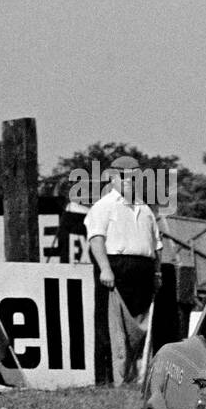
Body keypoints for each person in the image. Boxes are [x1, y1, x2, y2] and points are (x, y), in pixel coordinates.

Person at [85, 156, 162, 384]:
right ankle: (108, 380)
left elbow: (157, 245)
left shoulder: (145, 209)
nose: (128, 181)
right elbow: (96, 239)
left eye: (133, 177)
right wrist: (105, 269)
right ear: (113, 177)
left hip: (144, 271)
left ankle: (135, 378)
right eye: (123, 176)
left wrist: (157, 273)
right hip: (116, 270)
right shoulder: (103, 206)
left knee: (139, 330)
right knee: (111, 329)